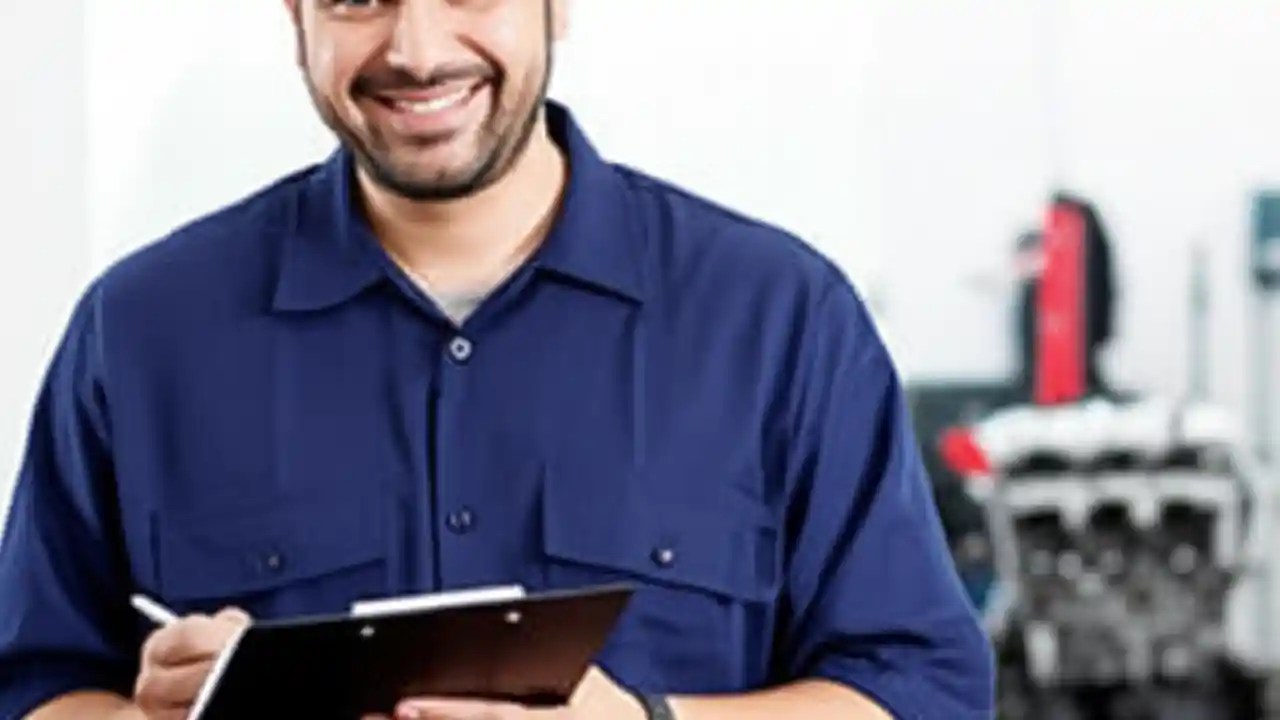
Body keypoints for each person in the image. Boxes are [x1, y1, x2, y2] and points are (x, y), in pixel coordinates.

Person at [0, 1, 994, 718]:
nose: (417, 48)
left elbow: (916, 696)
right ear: (293, 14)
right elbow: (33, 687)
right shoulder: (138, 335)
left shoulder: (781, 320)